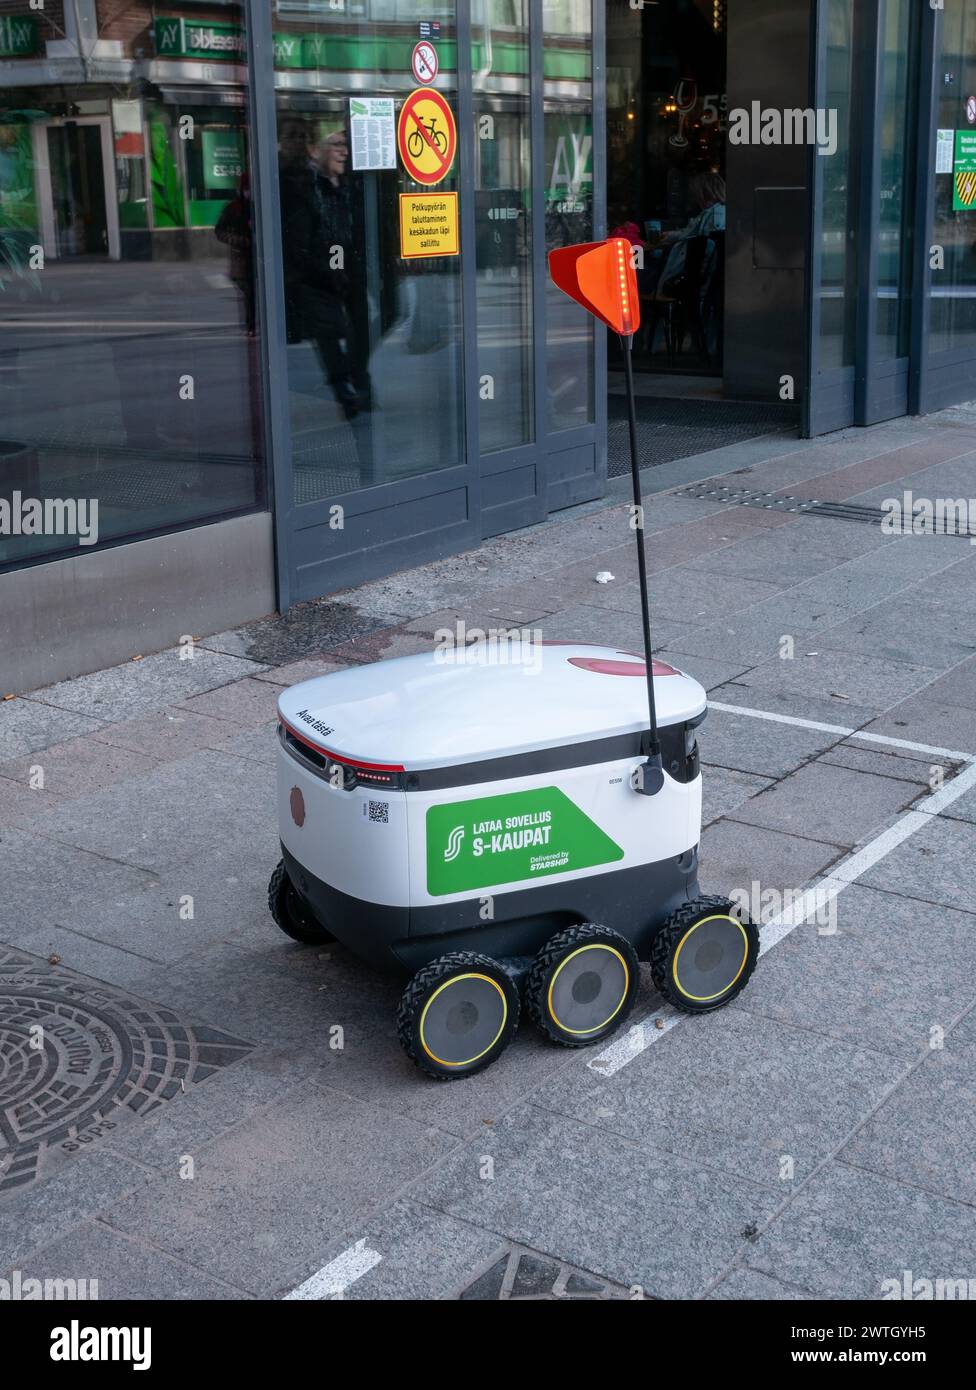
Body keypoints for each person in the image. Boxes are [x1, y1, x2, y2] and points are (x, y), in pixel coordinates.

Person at [657, 172, 726, 300]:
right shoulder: (713, 213)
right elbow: (691, 233)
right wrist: (671, 235)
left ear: (704, 191)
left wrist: (696, 281)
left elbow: (706, 248)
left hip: (694, 281)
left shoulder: (715, 216)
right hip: (698, 281)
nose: (694, 197)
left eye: (695, 192)